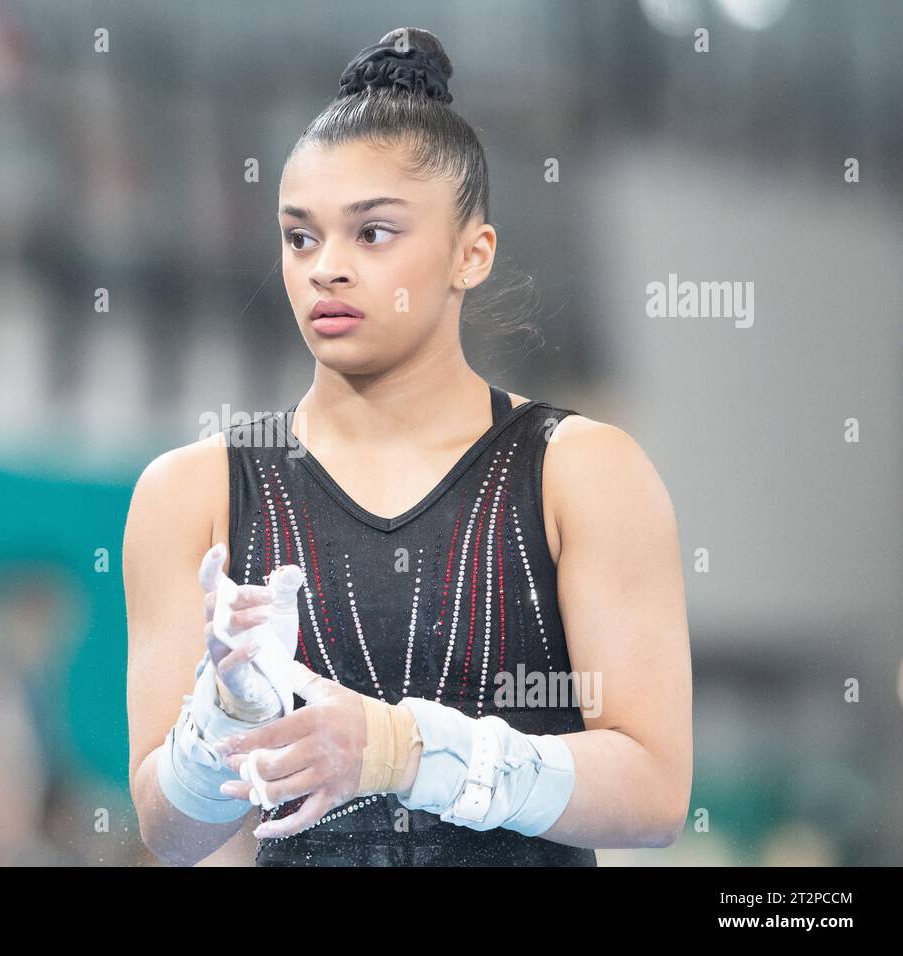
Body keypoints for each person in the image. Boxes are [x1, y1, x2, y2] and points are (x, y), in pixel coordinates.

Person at [124, 27, 692, 866]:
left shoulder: (580, 472)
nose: (326, 268)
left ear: (473, 253)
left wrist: (400, 750)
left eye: (374, 233)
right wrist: (222, 728)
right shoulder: (191, 493)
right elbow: (168, 836)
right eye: (300, 237)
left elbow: (652, 794)